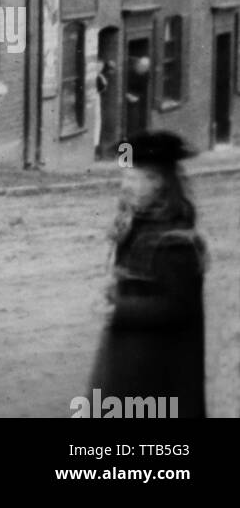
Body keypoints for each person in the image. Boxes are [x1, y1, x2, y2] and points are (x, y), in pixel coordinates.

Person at [88, 131, 206, 418]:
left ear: (158, 183)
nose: (125, 186)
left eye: (134, 178)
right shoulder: (138, 225)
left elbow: (177, 306)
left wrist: (119, 308)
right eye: (125, 177)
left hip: (157, 367)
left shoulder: (175, 240)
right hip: (131, 360)